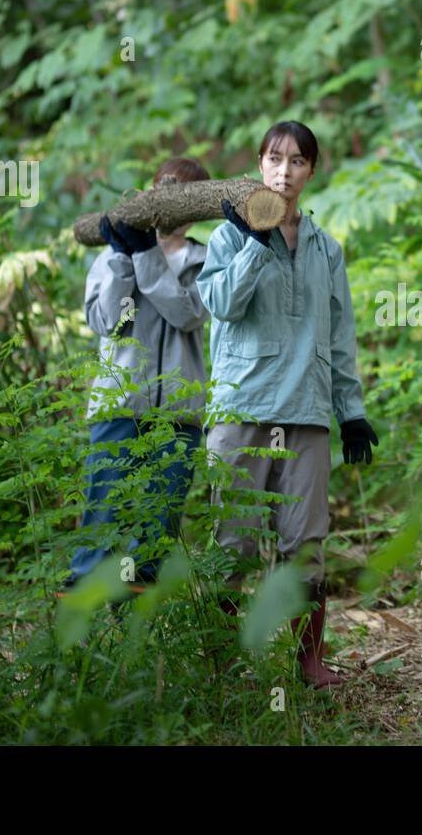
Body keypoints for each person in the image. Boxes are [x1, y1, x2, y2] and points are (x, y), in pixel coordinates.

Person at [196, 120, 379, 689]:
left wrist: (350, 410)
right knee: (234, 539)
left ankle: (309, 663)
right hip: (242, 409)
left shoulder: (327, 248)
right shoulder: (227, 237)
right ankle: (225, 665)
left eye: (297, 161)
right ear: (258, 164)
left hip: (305, 413)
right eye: (274, 159)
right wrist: (253, 241)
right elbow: (220, 304)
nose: (284, 171)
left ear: (311, 171)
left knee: (306, 545)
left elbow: (339, 335)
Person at [65, 157, 213, 592]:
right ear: (152, 195)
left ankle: (136, 626)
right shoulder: (114, 253)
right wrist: (121, 256)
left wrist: (148, 256)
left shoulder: (204, 260)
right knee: (104, 507)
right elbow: (110, 319)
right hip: (119, 404)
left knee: (158, 520)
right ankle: (82, 608)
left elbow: (186, 314)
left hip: (179, 413)